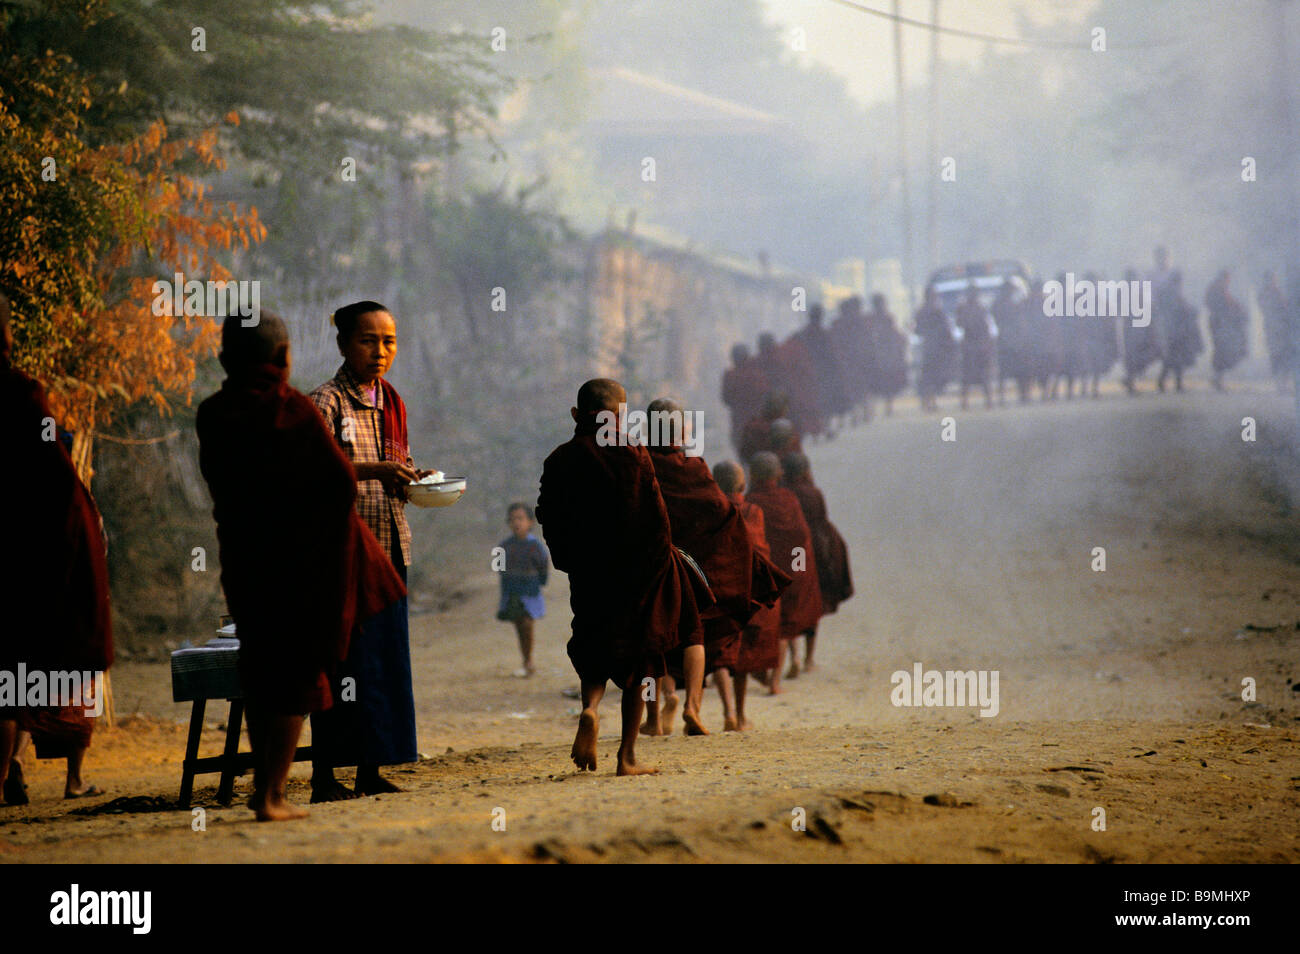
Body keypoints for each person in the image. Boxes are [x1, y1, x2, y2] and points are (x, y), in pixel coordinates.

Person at [196, 312, 404, 821]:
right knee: (296, 673)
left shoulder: (214, 412)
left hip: (245, 556)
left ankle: (268, 790)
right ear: (285, 359)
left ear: (225, 359)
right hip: (297, 562)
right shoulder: (294, 408)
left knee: (261, 666)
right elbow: (335, 483)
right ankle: (272, 794)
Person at [537, 379, 711, 775]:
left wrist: (569, 560)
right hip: (634, 574)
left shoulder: (560, 458)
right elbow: (655, 515)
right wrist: (658, 565)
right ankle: (627, 756)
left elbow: (547, 514)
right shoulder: (632, 453)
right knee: (638, 660)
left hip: (588, 573)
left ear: (576, 415)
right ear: (620, 415)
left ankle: (590, 709)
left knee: (594, 645)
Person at [308, 301, 433, 801]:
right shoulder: (324, 403)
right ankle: (324, 777)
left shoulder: (392, 402)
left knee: (382, 664)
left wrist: (408, 480)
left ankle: (369, 769)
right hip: (340, 556)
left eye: (389, 341)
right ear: (343, 345)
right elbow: (311, 477)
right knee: (341, 665)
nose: (380, 352)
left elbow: (395, 466)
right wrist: (373, 471)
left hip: (389, 550)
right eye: (368, 340)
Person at [0, 291, 113, 806]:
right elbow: (57, 491)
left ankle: (17, 770)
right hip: (26, 561)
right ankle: (18, 774)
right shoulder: (20, 394)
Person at [642, 399, 758, 735]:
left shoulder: (639, 466)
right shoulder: (693, 467)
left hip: (650, 564)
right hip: (689, 565)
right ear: (679, 431)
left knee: (653, 639)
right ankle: (693, 706)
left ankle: (655, 715)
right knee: (693, 634)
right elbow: (721, 511)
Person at [712, 461, 789, 727]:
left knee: (719, 653)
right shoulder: (754, 511)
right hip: (748, 588)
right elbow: (759, 550)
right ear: (743, 485)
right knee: (743, 656)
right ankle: (742, 715)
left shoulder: (712, 510)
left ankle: (727, 713)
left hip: (718, 587)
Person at [745, 452, 821, 691]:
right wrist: (800, 569)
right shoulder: (789, 498)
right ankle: (788, 668)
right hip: (792, 566)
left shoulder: (752, 500)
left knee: (771, 623)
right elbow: (800, 534)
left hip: (765, 570)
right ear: (779, 474)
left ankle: (772, 676)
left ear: (753, 475)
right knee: (786, 623)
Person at [781, 451, 852, 675]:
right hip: (816, 551)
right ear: (805, 471)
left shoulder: (784, 494)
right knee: (814, 602)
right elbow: (821, 522)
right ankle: (809, 658)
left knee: (791, 602)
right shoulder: (813, 493)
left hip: (792, 551)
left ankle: (794, 657)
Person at [496, 503, 549, 677]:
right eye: (512, 519)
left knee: (527, 623)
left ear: (530, 522)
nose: (516, 523)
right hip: (512, 593)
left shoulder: (536, 546)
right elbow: (499, 569)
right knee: (519, 625)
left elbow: (543, 569)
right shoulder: (504, 546)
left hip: (530, 592)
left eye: (520, 518)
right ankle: (526, 659)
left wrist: (538, 583)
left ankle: (528, 660)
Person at [1155, 271, 1203, 393]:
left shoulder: (1171, 292)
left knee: (1175, 359)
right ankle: (1168, 381)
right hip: (1176, 331)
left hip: (1175, 330)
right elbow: (1180, 309)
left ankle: (1173, 382)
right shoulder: (1171, 293)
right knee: (1174, 358)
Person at [914, 286, 957, 412]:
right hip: (936, 349)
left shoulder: (921, 312)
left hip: (928, 348)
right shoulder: (937, 312)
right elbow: (946, 330)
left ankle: (927, 402)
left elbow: (917, 330)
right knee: (932, 377)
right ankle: (930, 402)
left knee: (927, 378)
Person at [865, 293, 908, 416]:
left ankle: (881, 408)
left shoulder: (883, 318)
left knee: (882, 383)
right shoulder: (876, 319)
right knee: (879, 383)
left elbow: (894, 335)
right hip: (879, 355)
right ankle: (882, 408)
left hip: (883, 355)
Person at [1205, 270, 1248, 390]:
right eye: (1227, 279)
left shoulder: (1221, 290)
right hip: (1219, 325)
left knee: (1223, 351)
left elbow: (1233, 304)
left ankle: (1218, 379)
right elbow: (1221, 306)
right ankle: (1217, 379)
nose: (1228, 282)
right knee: (1221, 351)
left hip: (1222, 325)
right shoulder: (1216, 290)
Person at [956, 286, 997, 410]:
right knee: (968, 377)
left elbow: (985, 327)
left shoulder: (979, 308)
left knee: (983, 376)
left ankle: (987, 401)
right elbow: (960, 324)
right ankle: (966, 401)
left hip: (978, 345)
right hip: (971, 345)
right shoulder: (965, 309)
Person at [1259, 271, 1296, 392]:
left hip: (1279, 329)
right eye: (1273, 279)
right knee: (1278, 356)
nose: (1275, 281)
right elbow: (1278, 309)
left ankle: (1282, 384)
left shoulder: (1273, 293)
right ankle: (1280, 385)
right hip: (1275, 329)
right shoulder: (1269, 294)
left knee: (1283, 356)